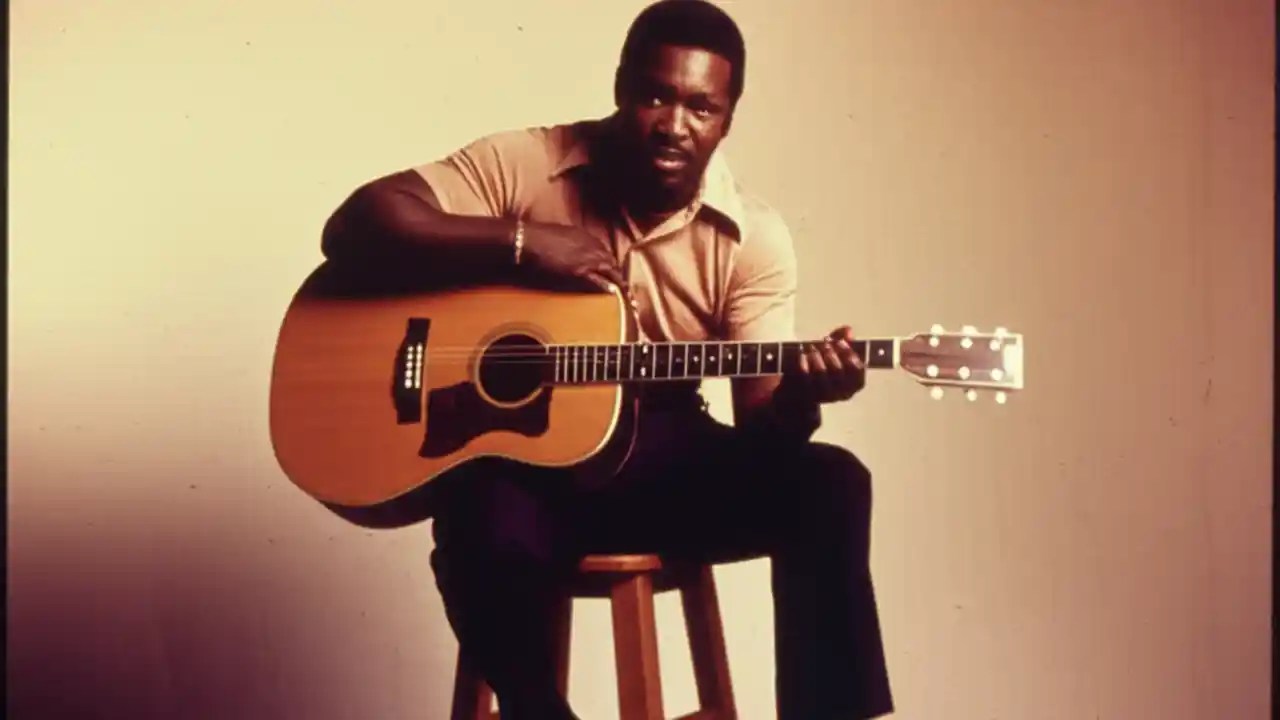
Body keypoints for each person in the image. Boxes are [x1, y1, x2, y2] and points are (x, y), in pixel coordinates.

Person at [320, 1, 894, 717]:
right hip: (532, 477)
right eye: (656, 95)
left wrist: (803, 396)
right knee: (478, 513)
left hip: (666, 465)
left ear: (727, 119)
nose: (674, 125)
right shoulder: (529, 162)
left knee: (831, 482)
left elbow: (760, 431)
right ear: (622, 87)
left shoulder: (755, 238)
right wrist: (523, 243)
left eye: (700, 107)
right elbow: (358, 223)